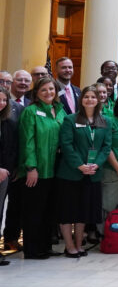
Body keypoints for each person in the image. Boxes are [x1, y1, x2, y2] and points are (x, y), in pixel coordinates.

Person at [55, 85, 110, 258]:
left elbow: (106, 147)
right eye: (86, 97)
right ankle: (69, 246)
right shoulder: (70, 120)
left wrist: (96, 165)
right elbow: (67, 145)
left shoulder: (104, 121)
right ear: (81, 100)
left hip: (93, 174)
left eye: (93, 97)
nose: (90, 100)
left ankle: (79, 245)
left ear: (98, 100)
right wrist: (80, 165)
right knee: (67, 211)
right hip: (71, 173)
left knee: (83, 211)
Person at [18, 77, 65, 259]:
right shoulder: (31, 112)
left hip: (56, 170)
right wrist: (31, 168)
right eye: (43, 90)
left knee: (49, 211)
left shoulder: (60, 112)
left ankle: (46, 246)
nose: (48, 93)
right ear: (36, 93)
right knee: (34, 211)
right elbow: (27, 141)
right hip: (37, 170)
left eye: (51, 89)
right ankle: (32, 249)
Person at [0, 88, 15, 265]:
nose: (2, 103)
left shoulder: (8, 122)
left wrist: (5, 169)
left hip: (4, 174)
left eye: (4, 100)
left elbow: (11, 150)